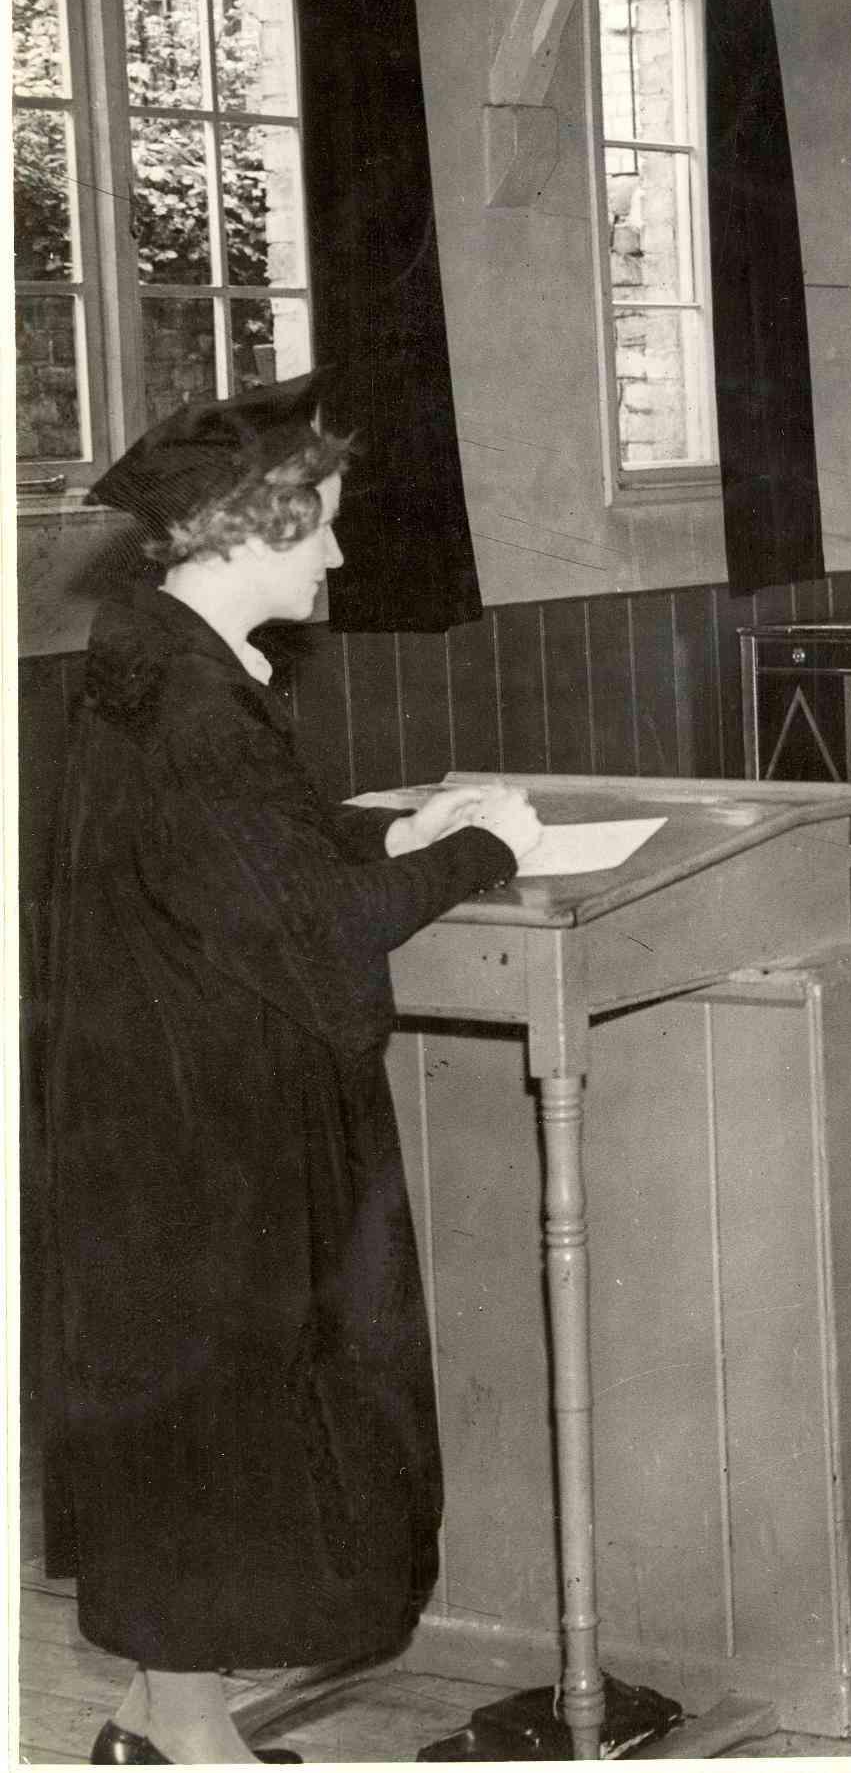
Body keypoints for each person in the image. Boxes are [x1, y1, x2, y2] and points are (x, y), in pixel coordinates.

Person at [39, 386, 542, 1765]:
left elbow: (247, 860)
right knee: (225, 1422)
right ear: (244, 529)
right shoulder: (195, 700)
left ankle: (154, 1719)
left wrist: (392, 834)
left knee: (200, 1418)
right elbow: (312, 931)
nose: (333, 554)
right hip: (212, 1131)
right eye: (315, 526)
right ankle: (193, 1736)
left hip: (163, 1115)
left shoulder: (156, 658)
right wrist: (484, 848)